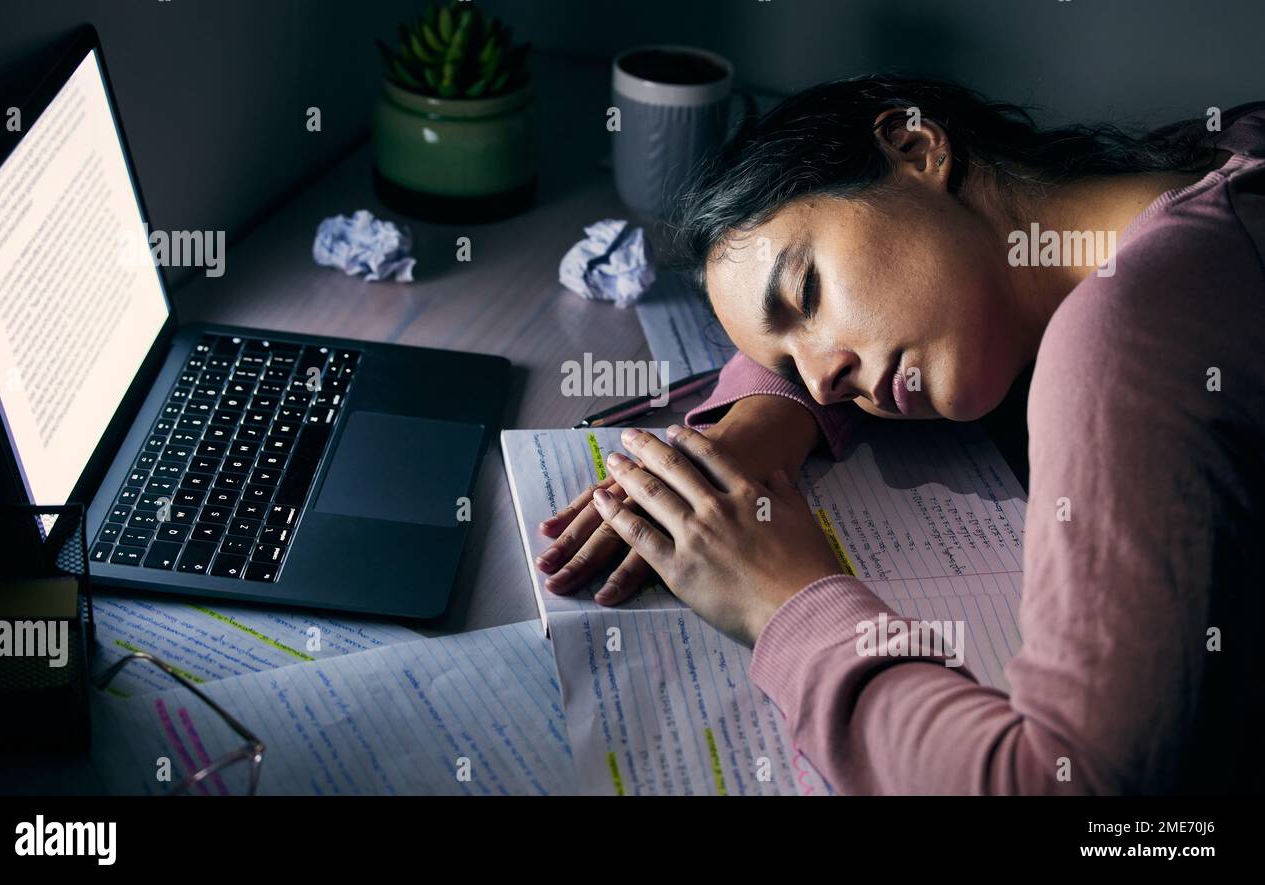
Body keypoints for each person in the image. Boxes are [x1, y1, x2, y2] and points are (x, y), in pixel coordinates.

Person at [535, 77, 1265, 794]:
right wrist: (764, 416)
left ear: (915, 146)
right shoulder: (1202, 164)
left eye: (807, 293)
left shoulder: (1123, 344)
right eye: (789, 360)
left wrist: (784, 601)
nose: (823, 380)